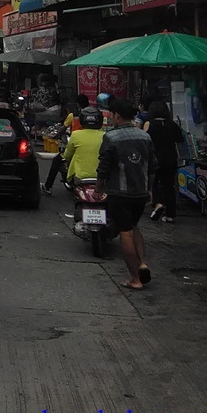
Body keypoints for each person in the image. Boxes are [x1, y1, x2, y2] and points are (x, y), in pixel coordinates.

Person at [96, 97, 157, 291]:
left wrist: (98, 189)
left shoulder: (111, 137)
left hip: (120, 193)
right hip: (140, 193)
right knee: (133, 226)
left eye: (112, 115)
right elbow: (153, 166)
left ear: (117, 116)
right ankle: (142, 263)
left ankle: (135, 278)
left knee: (125, 233)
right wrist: (149, 188)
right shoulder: (144, 136)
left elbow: (103, 168)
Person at [43, 94, 92, 193]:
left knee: (57, 160)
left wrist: (55, 136)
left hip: (75, 143)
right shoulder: (95, 115)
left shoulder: (73, 115)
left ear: (78, 104)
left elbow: (63, 129)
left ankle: (48, 186)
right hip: (92, 143)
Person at [146, 101, 183, 223]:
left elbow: (145, 141)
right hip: (170, 158)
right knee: (169, 185)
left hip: (154, 159)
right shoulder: (172, 124)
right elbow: (180, 138)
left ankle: (158, 204)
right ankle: (170, 214)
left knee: (154, 183)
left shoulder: (149, 124)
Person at [62, 107, 105, 184]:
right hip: (101, 177)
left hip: (79, 176)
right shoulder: (106, 136)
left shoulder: (75, 135)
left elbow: (67, 156)